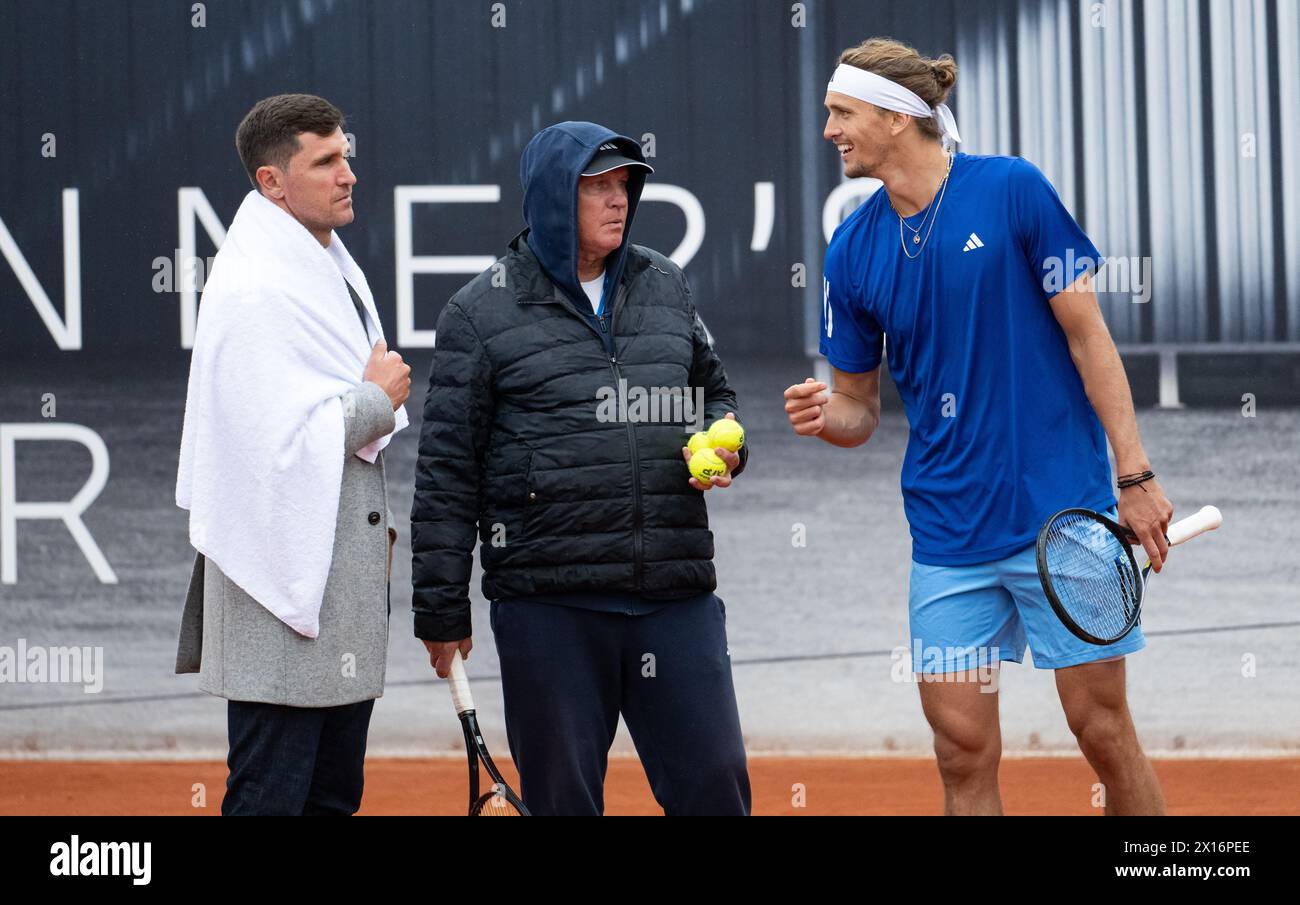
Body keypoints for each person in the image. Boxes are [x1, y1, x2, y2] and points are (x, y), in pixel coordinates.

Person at [785, 38, 1171, 815]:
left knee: (1101, 729)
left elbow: (1088, 336)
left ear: (897, 118)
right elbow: (860, 407)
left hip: (1065, 520)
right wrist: (830, 417)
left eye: (841, 111)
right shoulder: (850, 252)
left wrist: (1133, 476)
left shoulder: (1014, 191)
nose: (828, 129)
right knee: (961, 753)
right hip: (949, 541)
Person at [411, 121, 751, 816]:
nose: (617, 199)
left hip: (674, 596)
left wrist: (724, 443)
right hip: (550, 608)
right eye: (596, 186)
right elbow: (447, 471)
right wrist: (440, 605)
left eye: (623, 183)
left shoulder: (666, 283)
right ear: (551, 199)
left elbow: (714, 394)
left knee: (717, 787)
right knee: (564, 803)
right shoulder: (478, 313)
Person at [174, 93, 411, 815]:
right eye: (327, 161)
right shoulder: (251, 292)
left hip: (335, 599)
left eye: (347, 156)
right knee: (270, 801)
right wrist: (377, 399)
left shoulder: (323, 266)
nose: (349, 175)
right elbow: (267, 451)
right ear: (272, 182)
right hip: (279, 607)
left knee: (330, 802)